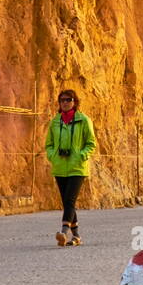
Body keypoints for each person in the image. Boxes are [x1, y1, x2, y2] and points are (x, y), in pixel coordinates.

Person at [45, 90, 97, 246]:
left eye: (69, 99)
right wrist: (52, 155)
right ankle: (77, 237)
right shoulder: (55, 122)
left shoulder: (84, 120)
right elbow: (49, 144)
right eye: (62, 100)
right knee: (68, 203)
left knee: (70, 200)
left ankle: (63, 232)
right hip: (60, 167)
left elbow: (91, 143)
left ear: (75, 101)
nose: (65, 102)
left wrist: (82, 154)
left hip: (77, 167)